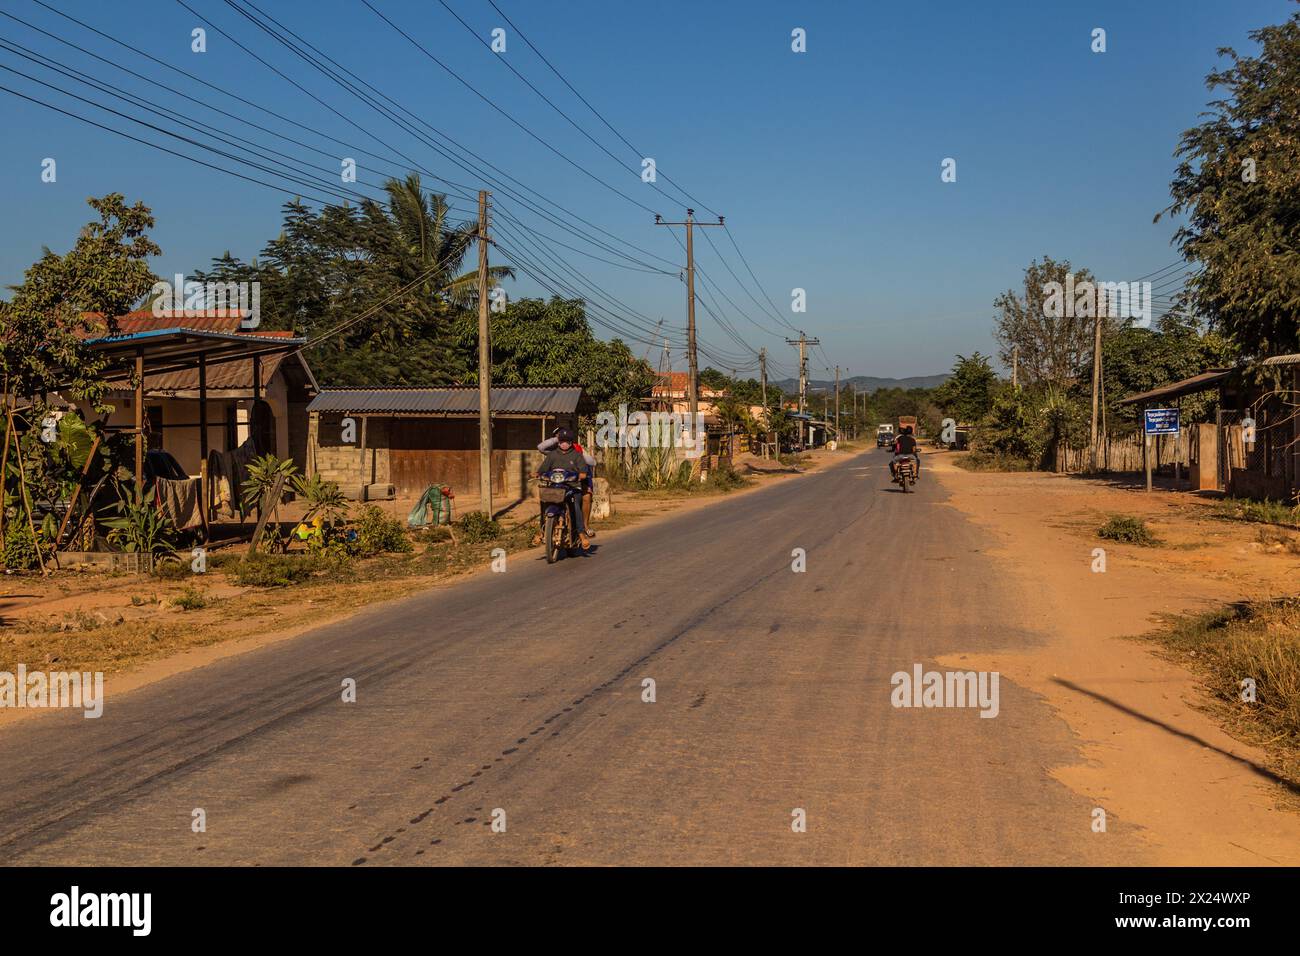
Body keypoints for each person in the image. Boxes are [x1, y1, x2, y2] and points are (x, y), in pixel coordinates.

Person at [536, 427, 594, 547]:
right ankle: (541, 530)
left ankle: (581, 533)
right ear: (558, 441)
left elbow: (584, 471)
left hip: (572, 487)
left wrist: (581, 475)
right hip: (555, 487)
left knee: (575, 505)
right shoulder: (552, 455)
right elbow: (542, 469)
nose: (564, 444)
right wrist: (537, 473)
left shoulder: (577, 455)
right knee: (544, 501)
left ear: (571, 442)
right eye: (562, 441)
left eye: (566, 442)